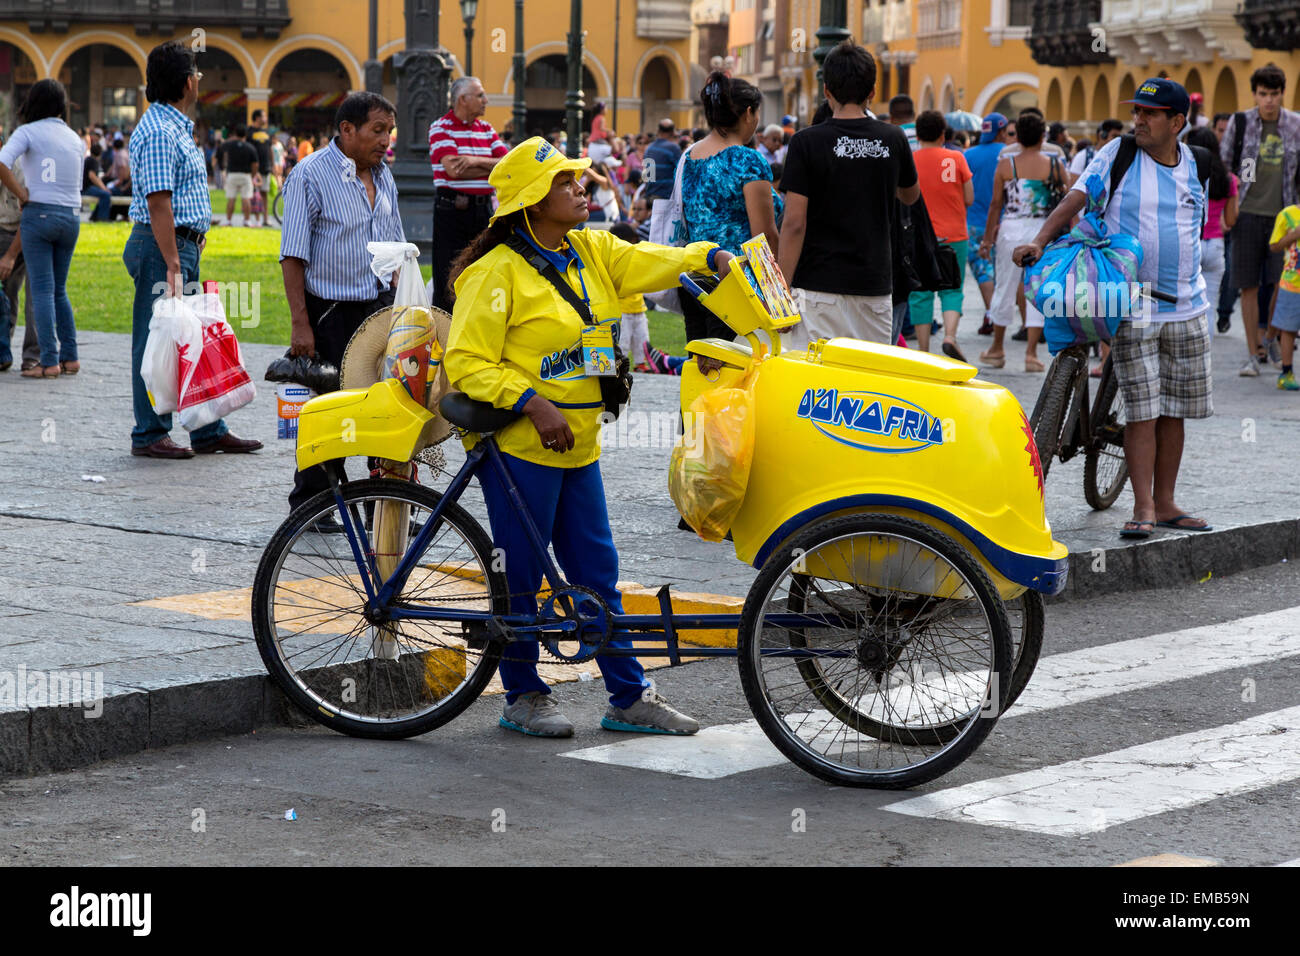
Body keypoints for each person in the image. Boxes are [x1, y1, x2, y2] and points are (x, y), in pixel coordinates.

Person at [443, 135, 735, 737]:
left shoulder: (590, 250)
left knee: (597, 572)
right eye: (565, 182)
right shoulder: (493, 274)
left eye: (581, 178)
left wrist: (705, 257)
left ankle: (628, 696)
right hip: (522, 447)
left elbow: (648, 260)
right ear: (530, 201)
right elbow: (468, 361)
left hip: (580, 443)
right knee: (522, 572)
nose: (582, 188)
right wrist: (534, 403)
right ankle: (522, 695)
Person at [1014, 77, 1214, 537]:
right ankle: (1143, 507)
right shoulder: (1118, 154)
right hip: (1135, 302)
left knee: (1174, 410)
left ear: (1177, 121)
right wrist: (1040, 241)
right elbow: (1075, 199)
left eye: (1150, 113)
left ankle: (1166, 503)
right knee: (1143, 409)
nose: (1139, 120)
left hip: (1188, 302)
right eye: (1137, 112)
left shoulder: (1198, 164)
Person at [123, 42, 262, 456]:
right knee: (157, 338)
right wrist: (172, 262)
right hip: (161, 247)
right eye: (197, 74)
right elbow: (158, 202)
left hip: (178, 246)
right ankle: (149, 433)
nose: (199, 80)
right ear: (187, 82)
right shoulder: (160, 131)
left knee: (192, 336)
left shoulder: (174, 126)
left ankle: (207, 428)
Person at [281, 92, 405, 516]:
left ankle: (381, 504)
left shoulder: (384, 175)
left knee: (382, 410)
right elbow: (293, 255)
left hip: (377, 310)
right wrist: (302, 325)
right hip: (329, 313)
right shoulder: (310, 175)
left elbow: (396, 247)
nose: (385, 139)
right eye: (377, 130)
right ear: (347, 129)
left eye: (389, 131)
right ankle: (312, 506)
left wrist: (405, 307)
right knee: (329, 413)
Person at [779, 42, 917, 349]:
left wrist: (781, 287)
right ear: (873, 91)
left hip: (817, 285)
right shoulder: (893, 138)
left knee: (817, 387)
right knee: (868, 386)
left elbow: (794, 223)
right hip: (874, 284)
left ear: (826, 91)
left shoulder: (805, 142)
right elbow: (910, 195)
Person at [677, 71, 778, 349]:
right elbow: (764, 236)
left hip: (695, 277)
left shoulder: (690, 156)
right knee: (738, 374)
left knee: (703, 370)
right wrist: (776, 294)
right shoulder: (747, 160)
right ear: (748, 113)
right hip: (737, 284)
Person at [0, 79, 84, 380]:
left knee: (43, 290)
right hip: (71, 217)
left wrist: (22, 195)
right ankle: (70, 357)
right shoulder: (76, 138)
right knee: (59, 290)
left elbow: (1, 162)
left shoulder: (27, 132)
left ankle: (48, 361)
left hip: (39, 215)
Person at [1221, 64, 1300, 377]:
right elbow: (1227, 168)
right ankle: (1252, 354)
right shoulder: (1240, 123)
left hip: (1284, 217)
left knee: (1283, 283)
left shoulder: (1295, 125)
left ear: (1282, 94)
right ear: (1255, 94)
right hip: (1248, 213)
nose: (1269, 100)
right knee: (1249, 285)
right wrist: (1229, 209)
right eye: (1263, 94)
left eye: (1275, 94)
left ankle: (1270, 338)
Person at [979, 110, 1065, 372]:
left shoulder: (1006, 165)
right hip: (1042, 230)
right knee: (1039, 288)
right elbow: (1066, 201)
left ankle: (997, 348)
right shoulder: (1055, 166)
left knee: (1005, 285)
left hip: (1011, 229)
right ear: (1042, 137)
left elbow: (996, 204)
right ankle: (1031, 353)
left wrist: (986, 239)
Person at [428, 75, 509, 312]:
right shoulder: (440, 127)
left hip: (482, 210)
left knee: (484, 272)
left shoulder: (486, 128)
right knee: (447, 278)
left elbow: (507, 164)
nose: (486, 100)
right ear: (463, 99)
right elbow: (453, 170)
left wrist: (473, 160)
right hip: (452, 211)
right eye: (480, 95)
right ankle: (445, 335)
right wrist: (491, 166)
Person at [910, 110, 972, 359]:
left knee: (920, 293)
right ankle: (950, 337)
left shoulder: (911, 159)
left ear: (918, 134)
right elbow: (969, 197)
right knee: (952, 289)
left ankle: (923, 352)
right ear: (943, 134)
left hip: (919, 237)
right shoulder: (956, 158)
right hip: (954, 234)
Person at [1186, 127, 1237, 345]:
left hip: (1190, 243)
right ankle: (1205, 355)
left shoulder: (1185, 175)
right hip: (1215, 244)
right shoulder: (1228, 178)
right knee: (1209, 306)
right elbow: (1232, 218)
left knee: (1186, 307)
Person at [965, 113, 1012, 336]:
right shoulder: (1008, 155)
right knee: (1003, 272)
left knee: (983, 271)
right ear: (1001, 132)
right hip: (1002, 222)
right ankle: (999, 316)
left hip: (973, 222)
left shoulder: (969, 155)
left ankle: (991, 314)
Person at [0, 154, 36, 372]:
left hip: (23, 231)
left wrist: (11, 255)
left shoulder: (20, 168)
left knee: (31, 296)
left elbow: (28, 216)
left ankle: (31, 354)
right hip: (9, 229)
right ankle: (8, 350)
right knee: (9, 294)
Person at [1267, 202, 1300, 390]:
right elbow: (1274, 246)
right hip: (1292, 284)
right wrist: (1293, 236)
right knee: (1288, 329)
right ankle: (1286, 373)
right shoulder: (1287, 214)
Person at [218, 124, 259, 227]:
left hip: (232, 174)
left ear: (235, 134)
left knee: (231, 198)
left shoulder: (229, 145)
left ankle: (228, 220)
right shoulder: (250, 147)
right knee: (246, 198)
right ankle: (247, 220)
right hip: (245, 175)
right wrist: (252, 175)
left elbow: (220, 150)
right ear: (245, 135)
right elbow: (255, 164)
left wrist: (222, 166)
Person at [641, 118, 681, 201]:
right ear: (673, 132)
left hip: (651, 196)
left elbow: (646, 177)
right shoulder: (673, 148)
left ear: (658, 130)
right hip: (667, 197)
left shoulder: (649, 148)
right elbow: (681, 172)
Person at [249, 109, 274, 227]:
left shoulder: (266, 132)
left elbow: (270, 149)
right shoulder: (249, 132)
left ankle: (265, 219)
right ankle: (250, 219)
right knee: (251, 194)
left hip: (265, 167)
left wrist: (273, 165)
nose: (265, 119)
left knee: (264, 193)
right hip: (253, 168)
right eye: (264, 116)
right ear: (257, 118)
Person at [82, 142, 114, 222]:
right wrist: (104, 188)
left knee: (102, 194)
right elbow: (92, 176)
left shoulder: (88, 159)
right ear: (100, 153)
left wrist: (103, 187)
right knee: (106, 195)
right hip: (86, 188)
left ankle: (94, 217)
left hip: (83, 187)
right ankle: (102, 219)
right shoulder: (93, 161)